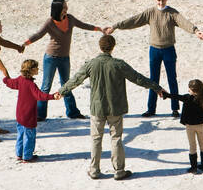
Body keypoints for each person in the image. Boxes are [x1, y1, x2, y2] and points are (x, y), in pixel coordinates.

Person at [60, 34, 168, 180]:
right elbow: (138, 78)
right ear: (113, 47)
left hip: (97, 108)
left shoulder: (91, 64)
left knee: (96, 139)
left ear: (100, 46)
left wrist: (61, 91)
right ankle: (119, 170)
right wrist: (156, 87)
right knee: (116, 138)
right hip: (115, 107)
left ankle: (94, 170)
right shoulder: (118, 64)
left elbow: (76, 79)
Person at [105, 0, 203, 118]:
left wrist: (195, 31)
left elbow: (184, 22)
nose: (161, 2)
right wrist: (116, 26)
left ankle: (175, 108)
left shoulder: (172, 13)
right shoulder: (150, 12)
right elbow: (134, 20)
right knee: (153, 80)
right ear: (155, 0)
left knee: (172, 79)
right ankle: (151, 109)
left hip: (169, 50)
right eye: (158, 0)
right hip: (154, 50)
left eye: (163, 0)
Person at [23, 0, 102, 121]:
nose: (66, 9)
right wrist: (26, 43)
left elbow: (83, 25)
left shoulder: (70, 18)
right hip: (51, 58)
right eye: (64, 7)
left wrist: (98, 28)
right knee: (46, 86)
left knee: (67, 85)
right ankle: (39, 114)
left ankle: (73, 112)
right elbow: (39, 34)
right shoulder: (50, 22)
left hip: (65, 58)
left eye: (66, 7)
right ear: (58, 9)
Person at [3, 59, 60, 163]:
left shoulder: (20, 79)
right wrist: (53, 96)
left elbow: (11, 83)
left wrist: (5, 79)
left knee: (20, 134)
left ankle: (19, 154)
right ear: (32, 70)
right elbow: (40, 96)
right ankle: (28, 156)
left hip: (20, 114)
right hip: (28, 115)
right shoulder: (31, 85)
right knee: (29, 136)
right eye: (36, 68)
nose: (38, 69)